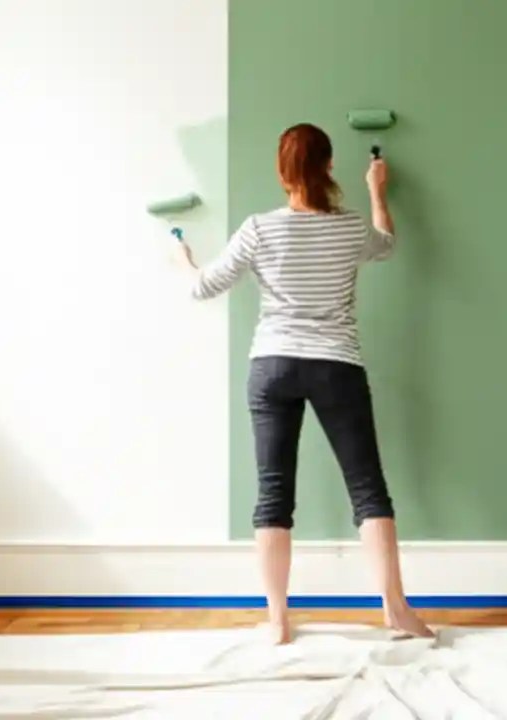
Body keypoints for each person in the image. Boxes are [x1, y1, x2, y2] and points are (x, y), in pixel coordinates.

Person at [174, 123, 432, 644]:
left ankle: (276, 620)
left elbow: (203, 287)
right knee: (368, 489)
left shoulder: (258, 228)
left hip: (272, 366)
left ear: (281, 172)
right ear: (329, 167)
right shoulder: (349, 227)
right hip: (336, 365)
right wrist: (377, 190)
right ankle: (396, 608)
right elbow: (386, 244)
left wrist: (182, 259)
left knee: (273, 494)